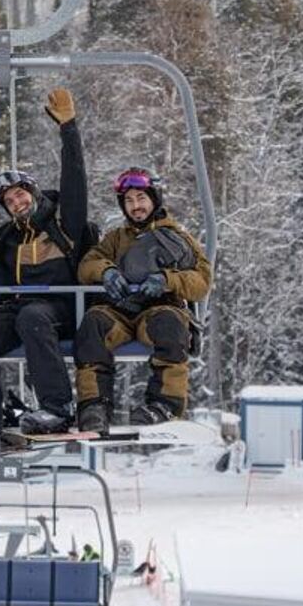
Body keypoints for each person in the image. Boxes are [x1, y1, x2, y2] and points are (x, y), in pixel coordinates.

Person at [0, 88, 96, 445]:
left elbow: (75, 181)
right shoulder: (6, 239)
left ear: (32, 193)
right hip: (19, 306)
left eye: (20, 194)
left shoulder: (64, 222)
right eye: (9, 200)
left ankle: (58, 407)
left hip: (61, 307)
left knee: (32, 317)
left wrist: (69, 129)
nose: (16, 202)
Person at [73, 167, 213, 432]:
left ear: (154, 198)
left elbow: (202, 281)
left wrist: (167, 280)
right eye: (129, 201)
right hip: (121, 312)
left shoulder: (178, 239)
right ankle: (94, 405)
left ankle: (164, 405)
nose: (135, 206)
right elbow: (86, 266)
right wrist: (107, 271)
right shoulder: (116, 239)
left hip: (160, 309)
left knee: (170, 325)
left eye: (141, 198)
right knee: (93, 324)